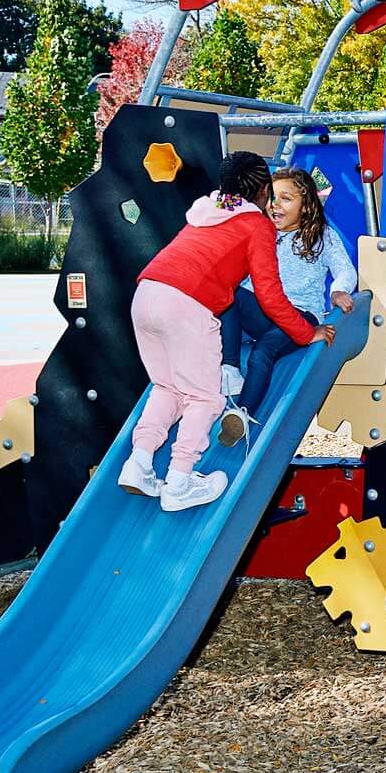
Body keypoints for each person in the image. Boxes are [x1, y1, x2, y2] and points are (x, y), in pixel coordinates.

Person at [122, 152, 334, 512]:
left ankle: (139, 463)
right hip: (186, 305)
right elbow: (268, 294)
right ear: (264, 190)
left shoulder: (206, 209)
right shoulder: (257, 225)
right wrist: (304, 331)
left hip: (147, 293)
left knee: (168, 387)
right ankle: (179, 481)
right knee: (205, 398)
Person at [217, 167, 357, 445]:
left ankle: (242, 414)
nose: (275, 205)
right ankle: (230, 368)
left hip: (300, 315)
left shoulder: (322, 236)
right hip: (263, 310)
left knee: (263, 351)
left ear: (305, 207)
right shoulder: (261, 231)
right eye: (271, 197)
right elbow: (224, 209)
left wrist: (338, 290)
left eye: (286, 198)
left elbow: (345, 270)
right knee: (227, 292)